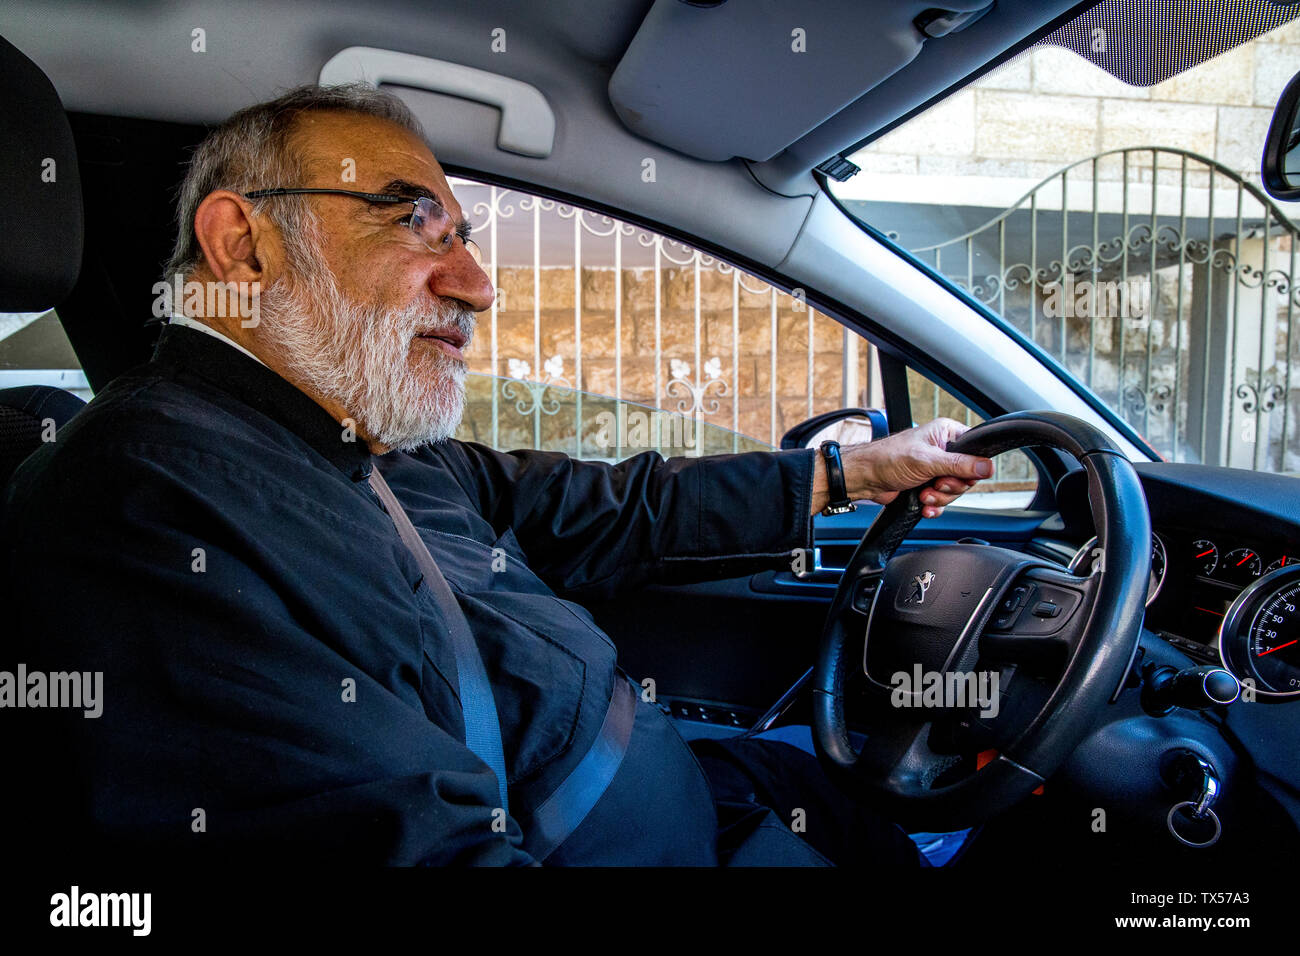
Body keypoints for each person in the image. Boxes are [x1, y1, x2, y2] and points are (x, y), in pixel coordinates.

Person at [1, 84, 993, 866]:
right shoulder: (138, 510)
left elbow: (610, 508)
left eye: (463, 241)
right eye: (414, 225)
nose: (478, 284)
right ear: (243, 244)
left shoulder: (368, 447)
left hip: (697, 797)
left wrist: (854, 472)